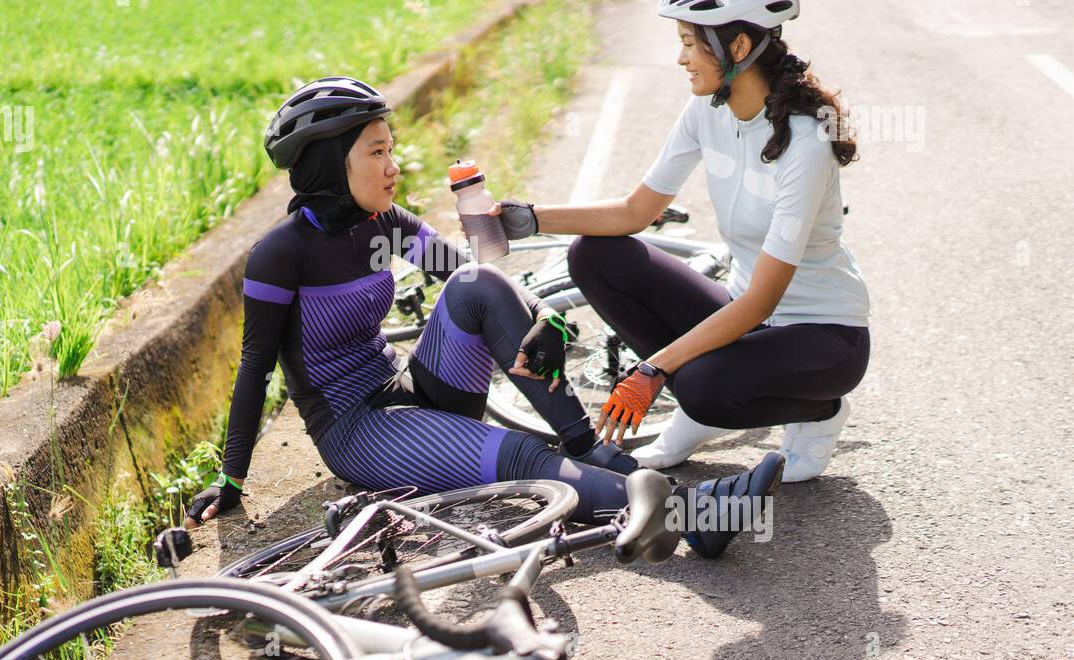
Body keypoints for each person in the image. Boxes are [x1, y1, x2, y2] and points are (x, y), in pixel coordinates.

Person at [184, 75, 782, 558]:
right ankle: (690, 512)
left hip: (413, 387)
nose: (394, 165)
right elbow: (255, 368)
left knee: (476, 283)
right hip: (358, 429)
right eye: (377, 152)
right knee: (524, 461)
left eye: (393, 149)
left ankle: (594, 452)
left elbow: (474, 276)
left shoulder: (384, 223)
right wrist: (231, 480)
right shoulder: (279, 255)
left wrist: (546, 316)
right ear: (328, 164)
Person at [492, 0, 870, 483]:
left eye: (691, 43)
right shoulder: (707, 111)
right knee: (597, 255)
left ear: (738, 47)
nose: (682, 58)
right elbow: (634, 212)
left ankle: (819, 410)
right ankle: (695, 400)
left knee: (703, 388)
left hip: (824, 337)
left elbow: (765, 298)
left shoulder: (805, 144)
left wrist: (654, 369)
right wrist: (529, 218)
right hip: (746, 316)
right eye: (683, 44)